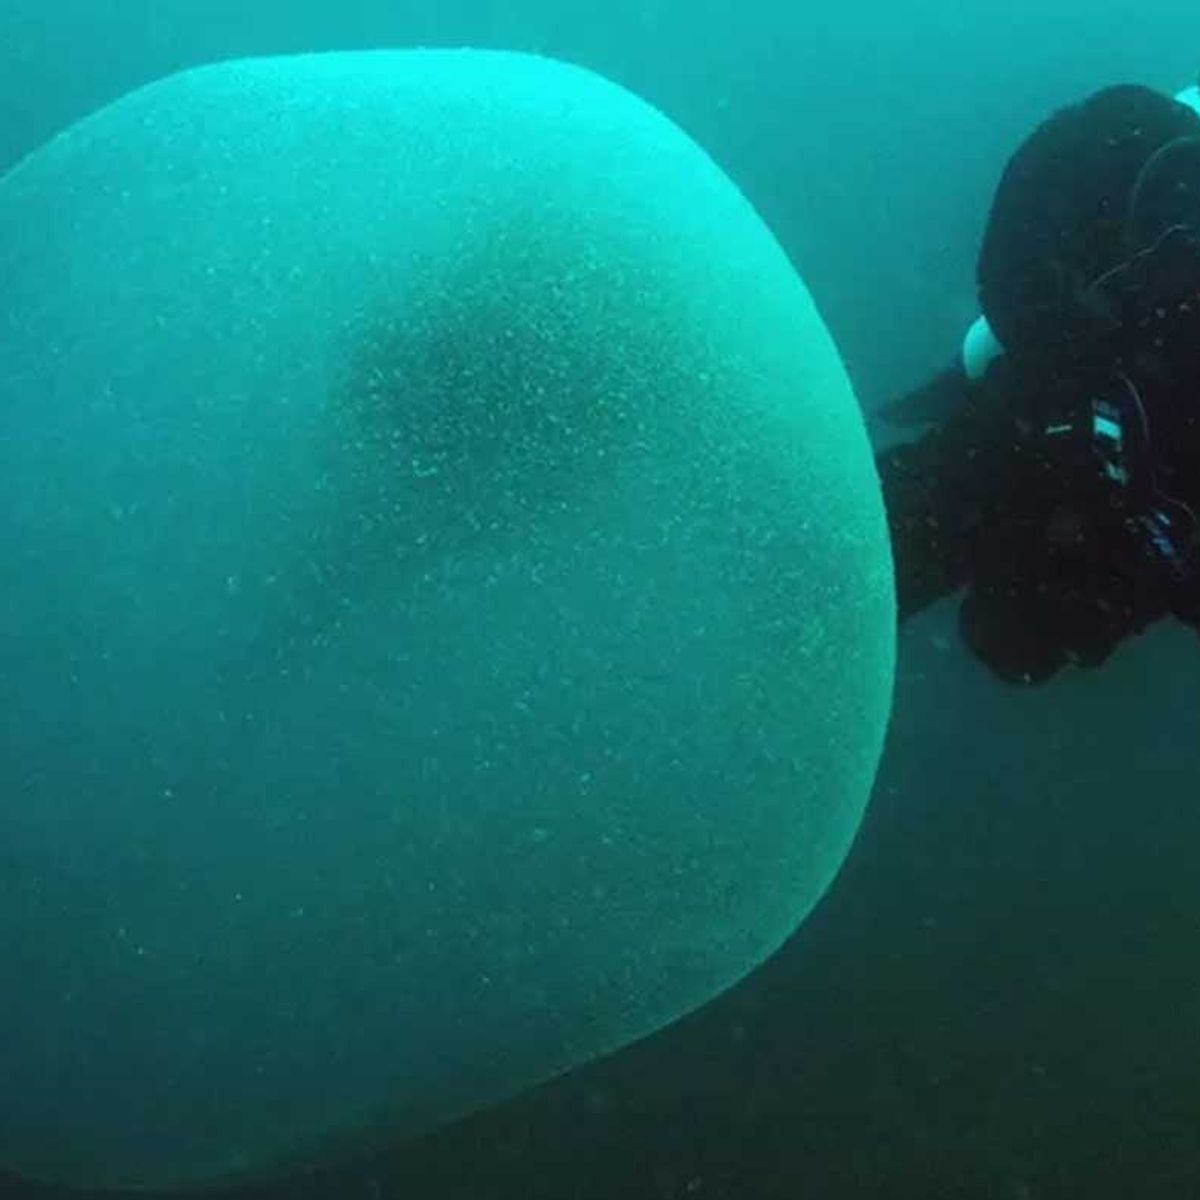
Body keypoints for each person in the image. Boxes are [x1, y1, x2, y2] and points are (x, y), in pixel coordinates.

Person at [878, 79, 1200, 684]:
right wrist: (1066, 385)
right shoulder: (1152, 152)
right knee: (899, 539)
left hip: (1126, 516)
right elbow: (1031, 223)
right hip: (1034, 417)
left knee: (1020, 639)